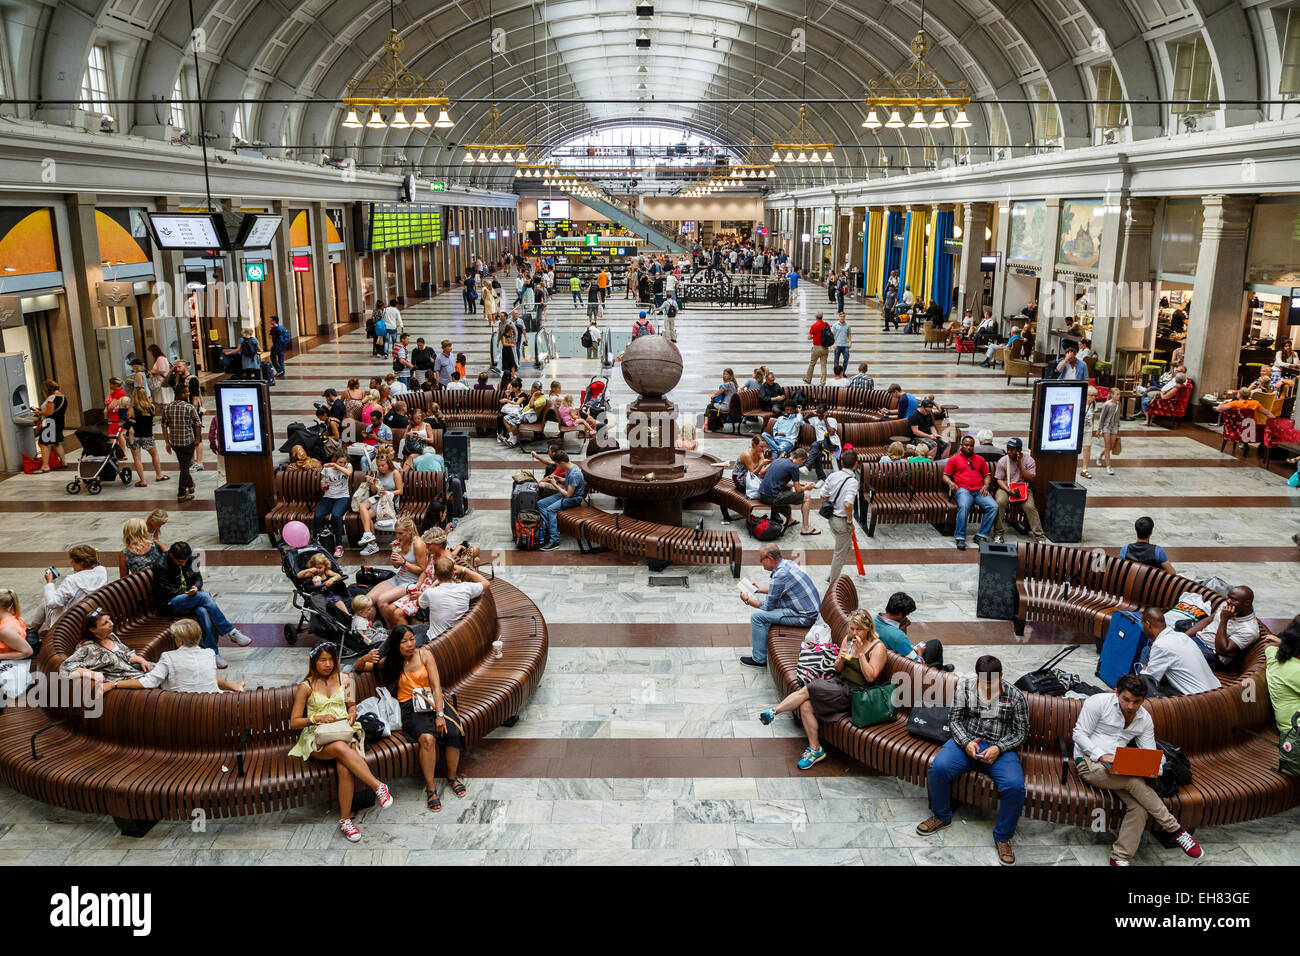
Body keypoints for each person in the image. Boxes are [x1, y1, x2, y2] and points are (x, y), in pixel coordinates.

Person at [1072, 674, 1204, 866]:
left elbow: (1149, 751)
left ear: (1144, 700)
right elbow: (1079, 734)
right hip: (1088, 762)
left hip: (1119, 768)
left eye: (1136, 702)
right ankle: (1176, 830)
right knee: (1133, 781)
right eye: (1126, 699)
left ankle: (1120, 857)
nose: (1130, 706)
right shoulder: (1098, 703)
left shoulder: (1144, 719)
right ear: (1117, 693)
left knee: (1139, 807)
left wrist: (1153, 766)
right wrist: (1101, 755)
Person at [916, 655, 1027, 866]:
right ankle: (941, 815)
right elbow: (955, 720)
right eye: (983, 683)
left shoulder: (1015, 696)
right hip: (967, 742)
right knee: (938, 768)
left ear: (1001, 676)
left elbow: (1021, 732)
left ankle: (1003, 837)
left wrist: (999, 747)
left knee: (1014, 787)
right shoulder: (965, 688)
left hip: (999, 748)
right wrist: (966, 742)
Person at [288, 642, 393, 843]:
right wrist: (316, 718)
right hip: (318, 738)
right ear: (314, 662)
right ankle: (378, 786)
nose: (327, 664)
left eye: (331, 660)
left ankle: (345, 820)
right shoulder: (306, 686)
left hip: (344, 731)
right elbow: (294, 722)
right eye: (322, 660)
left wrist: (352, 713)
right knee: (338, 747)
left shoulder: (345, 679)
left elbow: (352, 706)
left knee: (344, 767)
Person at [356, 626, 467, 811]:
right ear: (395, 645)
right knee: (427, 739)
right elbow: (359, 667)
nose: (409, 644)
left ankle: (452, 777)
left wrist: (440, 714)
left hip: (432, 700)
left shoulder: (425, 655)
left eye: (411, 639)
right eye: (404, 641)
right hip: (410, 706)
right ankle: (431, 788)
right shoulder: (392, 662)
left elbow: (436, 685)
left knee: (453, 731)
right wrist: (364, 658)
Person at [758, 609, 886, 769]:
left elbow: (870, 677)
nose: (854, 633)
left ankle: (774, 712)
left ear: (868, 628)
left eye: (858, 629)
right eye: (852, 629)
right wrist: (840, 659)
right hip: (840, 683)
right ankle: (815, 750)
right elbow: (838, 669)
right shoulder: (848, 639)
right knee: (806, 705)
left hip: (857, 693)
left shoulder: (878, 647)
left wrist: (860, 654)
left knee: (811, 688)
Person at [153, 540, 251, 668]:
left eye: (185, 560)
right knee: (205, 597)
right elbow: (169, 591)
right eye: (180, 562)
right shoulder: (160, 565)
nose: (183, 564)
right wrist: (190, 593)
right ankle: (231, 631)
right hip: (170, 603)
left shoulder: (192, 558)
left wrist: (195, 587)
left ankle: (213, 653)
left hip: (191, 598)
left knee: (203, 611)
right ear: (172, 556)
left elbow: (198, 578)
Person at [105, 618, 244, 694]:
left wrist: (114, 684)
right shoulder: (210, 653)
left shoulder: (168, 657)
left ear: (179, 641)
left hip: (180, 708)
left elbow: (147, 683)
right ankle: (234, 687)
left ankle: (233, 686)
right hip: (212, 704)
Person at [739, 543, 821, 668]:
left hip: (805, 617)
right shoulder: (788, 564)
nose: (761, 563)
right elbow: (779, 589)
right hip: (808, 609)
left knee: (757, 617)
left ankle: (759, 659)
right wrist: (759, 589)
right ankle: (763, 649)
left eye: (761, 560)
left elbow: (767, 607)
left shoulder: (780, 575)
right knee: (767, 612)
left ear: (770, 559)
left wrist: (747, 600)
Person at [1140, 605, 1221, 696]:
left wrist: (1143, 670)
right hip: (1216, 691)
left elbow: (1149, 679)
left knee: (1143, 681)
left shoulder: (1161, 645)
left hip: (1197, 699)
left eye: (1142, 625)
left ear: (1148, 624)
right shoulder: (1181, 636)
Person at [59, 608, 151, 689]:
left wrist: (141, 659)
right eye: (105, 623)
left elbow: (125, 654)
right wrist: (92, 674)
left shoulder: (110, 635)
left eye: (110, 619)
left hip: (139, 672)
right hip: (129, 683)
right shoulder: (88, 649)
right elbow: (65, 668)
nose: (111, 624)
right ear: (92, 629)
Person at [27, 544, 107, 634]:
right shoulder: (101, 571)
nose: (71, 563)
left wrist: (50, 583)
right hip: (88, 612)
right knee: (46, 600)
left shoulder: (72, 581)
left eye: (72, 561)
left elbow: (52, 603)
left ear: (80, 563)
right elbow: (84, 574)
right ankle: (33, 630)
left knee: (45, 601)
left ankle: (32, 632)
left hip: (68, 622)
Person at [1185, 585, 1268, 668]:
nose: (1228, 601)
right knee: (1173, 645)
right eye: (1228, 597)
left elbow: (1221, 650)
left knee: (1178, 655)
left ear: (1247, 603)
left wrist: (1224, 620)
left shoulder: (1249, 629)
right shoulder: (1228, 605)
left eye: (1234, 599)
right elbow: (1208, 620)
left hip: (1213, 653)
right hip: (1197, 640)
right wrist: (1184, 636)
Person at [943, 434, 996, 551]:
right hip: (963, 490)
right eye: (966, 445)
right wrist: (950, 483)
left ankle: (981, 535)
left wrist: (986, 485)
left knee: (993, 506)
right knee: (964, 506)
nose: (969, 447)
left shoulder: (980, 460)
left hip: (979, 490)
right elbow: (945, 476)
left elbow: (987, 476)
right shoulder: (954, 459)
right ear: (961, 445)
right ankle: (960, 537)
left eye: (971, 445)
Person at [873, 592, 950, 669]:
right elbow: (916, 664)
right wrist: (920, 653)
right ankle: (938, 672)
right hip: (897, 668)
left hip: (881, 658)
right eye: (907, 614)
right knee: (936, 644)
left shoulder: (872, 619)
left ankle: (939, 668)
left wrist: (902, 628)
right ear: (900, 614)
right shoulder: (898, 636)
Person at [992, 437, 1046, 544]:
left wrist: (1019, 465)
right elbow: (999, 479)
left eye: (1012, 449)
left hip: (1023, 489)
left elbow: (1031, 479)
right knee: (999, 502)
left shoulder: (1029, 460)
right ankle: (998, 534)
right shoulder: (1003, 461)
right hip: (1006, 488)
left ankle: (1039, 536)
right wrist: (1008, 490)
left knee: (1030, 507)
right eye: (1008, 448)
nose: (1009, 451)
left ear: (1019, 450)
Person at [757, 447, 818, 535]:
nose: (802, 464)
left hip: (762, 494)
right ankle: (806, 528)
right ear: (800, 459)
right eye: (803, 462)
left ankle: (789, 520)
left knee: (789, 488)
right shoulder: (794, 467)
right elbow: (798, 490)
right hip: (772, 498)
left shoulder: (779, 460)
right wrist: (807, 487)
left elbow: (782, 481)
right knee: (807, 496)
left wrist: (803, 484)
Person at [823, 449, 860, 584]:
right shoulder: (853, 481)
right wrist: (850, 523)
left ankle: (831, 575)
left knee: (845, 547)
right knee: (840, 554)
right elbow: (848, 505)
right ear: (856, 464)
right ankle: (832, 582)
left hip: (831, 518)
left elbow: (823, 494)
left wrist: (832, 502)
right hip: (842, 522)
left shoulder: (833, 476)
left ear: (842, 462)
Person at [161, 384, 202, 503]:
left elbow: (164, 426)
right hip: (187, 441)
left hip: (175, 442)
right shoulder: (189, 407)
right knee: (184, 467)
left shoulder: (167, 408)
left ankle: (190, 484)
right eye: (187, 392)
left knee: (183, 464)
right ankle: (181, 493)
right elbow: (198, 424)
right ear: (182, 394)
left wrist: (167, 442)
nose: (188, 393)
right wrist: (198, 439)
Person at [537, 452, 586, 551]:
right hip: (567, 495)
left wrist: (555, 485)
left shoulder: (574, 474)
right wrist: (558, 479)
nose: (558, 467)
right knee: (541, 503)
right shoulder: (570, 467)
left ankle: (554, 540)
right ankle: (552, 528)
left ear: (562, 462)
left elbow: (569, 494)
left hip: (574, 499)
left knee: (551, 510)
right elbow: (567, 482)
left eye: (558, 464)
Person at [311, 452, 352, 559]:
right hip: (328, 497)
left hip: (343, 497)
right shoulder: (327, 470)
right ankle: (315, 541)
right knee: (318, 516)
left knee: (335, 515)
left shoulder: (348, 466)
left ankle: (339, 545)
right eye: (340, 462)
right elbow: (323, 484)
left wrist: (336, 466)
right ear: (335, 460)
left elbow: (349, 473)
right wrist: (324, 484)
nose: (343, 464)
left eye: (344, 462)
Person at [1264, 619, 1300, 736]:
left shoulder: (1273, 654)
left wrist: (1282, 643)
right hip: (1296, 733)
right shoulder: (1296, 671)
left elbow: (1269, 646)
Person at [1080, 389, 1119, 479]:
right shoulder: (1080, 403)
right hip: (1078, 429)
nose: (1094, 397)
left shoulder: (1093, 403)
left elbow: (1093, 415)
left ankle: (1085, 469)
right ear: (1086, 395)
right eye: (1091, 395)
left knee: (1087, 448)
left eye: (1095, 396)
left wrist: (1093, 428)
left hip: (1088, 429)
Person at [34, 379, 67, 473]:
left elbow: (49, 412)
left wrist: (38, 412)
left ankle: (45, 466)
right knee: (56, 443)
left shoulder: (51, 398)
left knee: (43, 443)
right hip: (59, 422)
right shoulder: (63, 397)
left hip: (50, 423)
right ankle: (64, 463)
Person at [805, 311, 830, 385]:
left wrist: (814, 337)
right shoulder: (827, 325)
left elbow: (809, 337)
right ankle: (822, 382)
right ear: (822, 317)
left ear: (816, 317)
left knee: (812, 364)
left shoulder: (814, 326)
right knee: (823, 365)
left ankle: (808, 379)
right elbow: (829, 334)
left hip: (816, 348)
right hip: (825, 347)